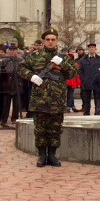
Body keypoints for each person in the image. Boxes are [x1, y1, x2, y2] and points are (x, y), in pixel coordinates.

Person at [18, 28, 77, 167]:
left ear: (57, 41)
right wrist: (31, 76)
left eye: (53, 40)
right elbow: (21, 68)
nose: (50, 42)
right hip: (40, 100)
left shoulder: (64, 57)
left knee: (55, 129)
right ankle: (41, 155)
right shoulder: (35, 56)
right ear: (44, 41)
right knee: (40, 129)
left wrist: (62, 65)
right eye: (47, 40)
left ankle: (52, 155)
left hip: (57, 101)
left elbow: (73, 73)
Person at [78, 43, 100, 115]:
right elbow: (80, 70)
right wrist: (83, 79)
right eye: (90, 47)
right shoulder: (83, 60)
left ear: (95, 49)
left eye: (93, 47)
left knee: (98, 99)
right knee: (86, 100)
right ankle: (86, 113)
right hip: (86, 82)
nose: (91, 48)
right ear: (88, 49)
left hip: (97, 83)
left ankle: (98, 113)